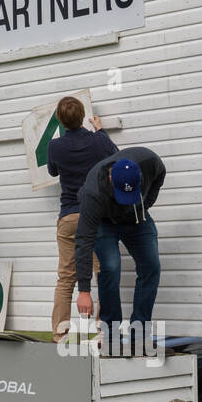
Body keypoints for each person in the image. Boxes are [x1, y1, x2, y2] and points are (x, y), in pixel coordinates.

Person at [73, 146, 167, 353]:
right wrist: (84, 290)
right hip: (105, 221)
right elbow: (83, 241)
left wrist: (145, 203)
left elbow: (160, 176)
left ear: (140, 178)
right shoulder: (93, 193)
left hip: (136, 215)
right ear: (110, 179)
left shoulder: (150, 161)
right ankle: (112, 337)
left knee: (151, 266)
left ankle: (139, 336)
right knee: (110, 267)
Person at [46, 96, 118, 339]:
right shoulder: (98, 141)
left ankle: (60, 334)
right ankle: (101, 329)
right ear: (82, 116)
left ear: (59, 119)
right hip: (95, 215)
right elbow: (114, 155)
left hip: (68, 215)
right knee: (102, 272)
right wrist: (100, 129)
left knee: (66, 276)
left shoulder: (54, 146)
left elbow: (53, 170)